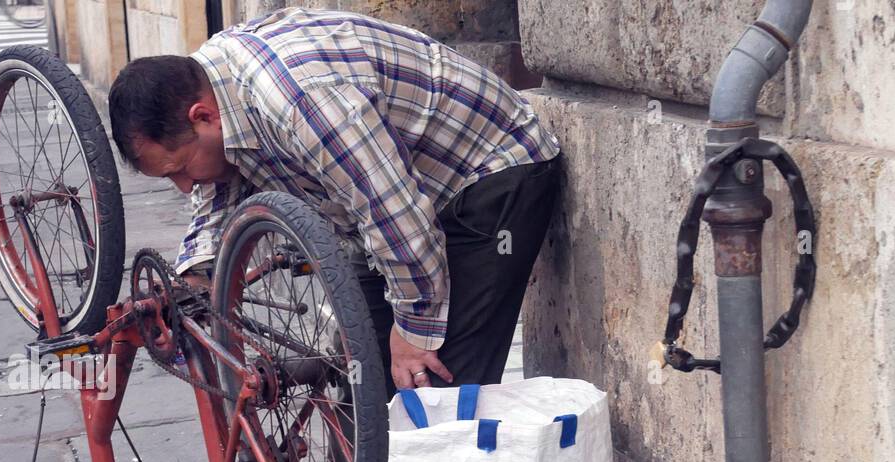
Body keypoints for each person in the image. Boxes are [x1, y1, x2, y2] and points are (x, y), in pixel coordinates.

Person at [108, 7, 561, 397]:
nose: (185, 187)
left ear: (202, 116)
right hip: (389, 205)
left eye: (179, 170)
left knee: (433, 383)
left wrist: (415, 329)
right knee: (362, 385)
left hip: (487, 172)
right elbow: (217, 186)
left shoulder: (301, 101)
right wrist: (199, 268)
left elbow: (396, 213)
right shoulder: (207, 88)